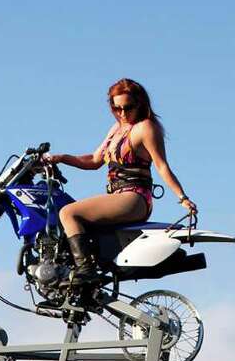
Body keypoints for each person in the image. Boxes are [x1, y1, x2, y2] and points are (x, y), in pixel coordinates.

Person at [48, 79, 197, 287]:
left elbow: (162, 166)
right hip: (117, 196)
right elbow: (93, 160)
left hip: (134, 198)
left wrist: (182, 198)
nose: (123, 113)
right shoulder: (116, 129)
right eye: (117, 108)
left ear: (140, 104)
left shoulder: (145, 128)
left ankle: (86, 271)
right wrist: (60, 157)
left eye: (128, 108)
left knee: (68, 213)